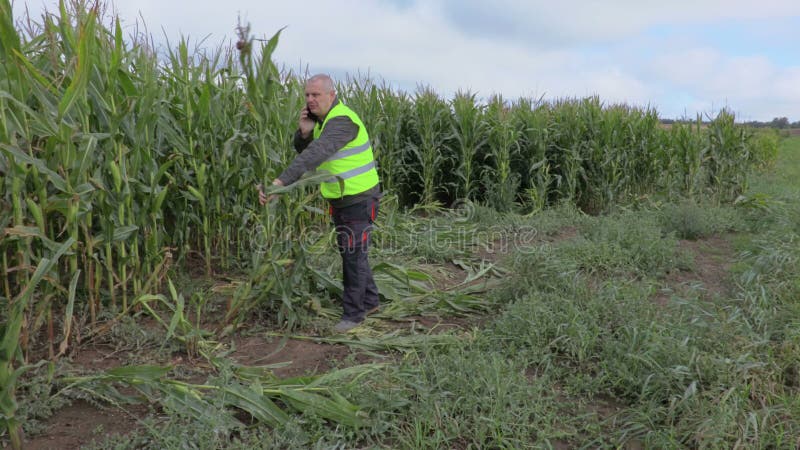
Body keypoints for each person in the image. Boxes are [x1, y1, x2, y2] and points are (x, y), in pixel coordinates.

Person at [259, 74, 382, 332]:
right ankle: (370, 301)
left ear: (331, 95)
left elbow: (315, 155)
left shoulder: (342, 121)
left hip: (359, 199)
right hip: (341, 199)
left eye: (316, 95)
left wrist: (280, 183)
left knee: (353, 254)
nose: (310, 100)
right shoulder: (322, 122)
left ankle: (353, 315)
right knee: (353, 252)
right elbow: (306, 149)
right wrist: (303, 133)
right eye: (307, 95)